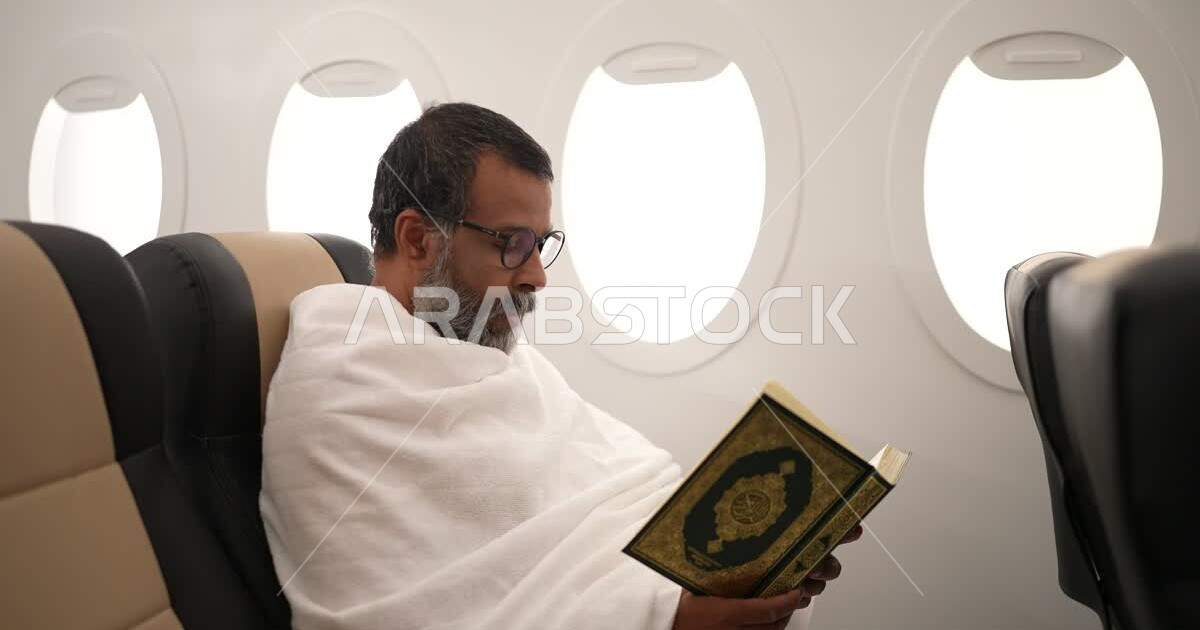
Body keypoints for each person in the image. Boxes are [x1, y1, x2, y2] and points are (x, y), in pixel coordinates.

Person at [260, 102, 861, 630]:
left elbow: (617, 494)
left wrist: (747, 556)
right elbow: (413, 610)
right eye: (511, 244)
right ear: (418, 239)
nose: (537, 276)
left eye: (542, 244)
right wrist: (662, 617)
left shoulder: (494, 359)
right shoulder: (341, 384)